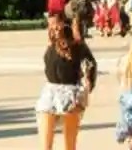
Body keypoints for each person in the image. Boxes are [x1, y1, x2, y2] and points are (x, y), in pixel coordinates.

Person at [35, 12, 97, 150]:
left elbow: (91, 64)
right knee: (46, 144)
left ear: (64, 24)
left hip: (70, 92)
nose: (53, 28)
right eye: (50, 25)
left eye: (56, 25)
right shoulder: (51, 45)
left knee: (69, 145)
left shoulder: (77, 46)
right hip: (51, 92)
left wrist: (88, 83)